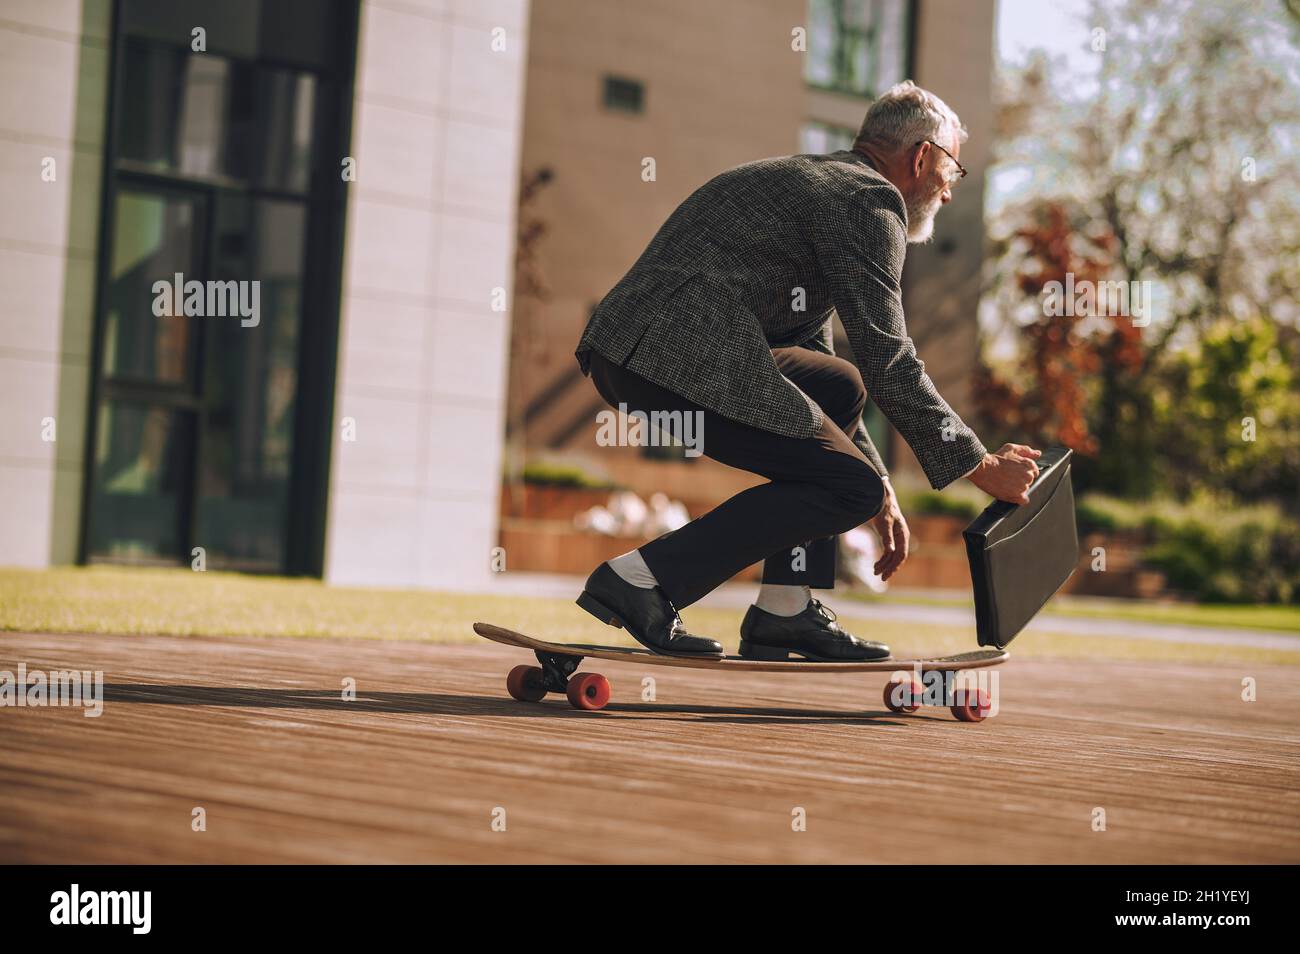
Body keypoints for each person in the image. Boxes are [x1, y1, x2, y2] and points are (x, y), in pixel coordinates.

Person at [572, 81, 1041, 660]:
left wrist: (882, 483)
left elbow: (822, 366)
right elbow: (887, 352)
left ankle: (784, 608)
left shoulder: (819, 186)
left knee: (837, 388)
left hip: (637, 348)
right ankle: (640, 579)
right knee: (846, 486)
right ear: (922, 157)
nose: (949, 191)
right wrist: (978, 462)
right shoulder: (869, 201)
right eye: (952, 169)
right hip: (673, 350)